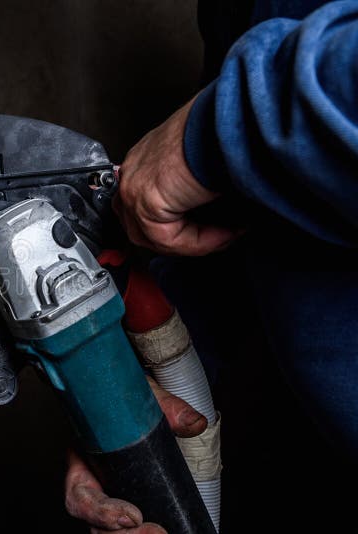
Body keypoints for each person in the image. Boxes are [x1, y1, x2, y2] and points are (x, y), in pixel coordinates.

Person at [65, 1, 358, 532]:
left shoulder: (225, 120)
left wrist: (210, 134)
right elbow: (242, 221)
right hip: (302, 456)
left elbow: (228, 146)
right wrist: (125, 397)